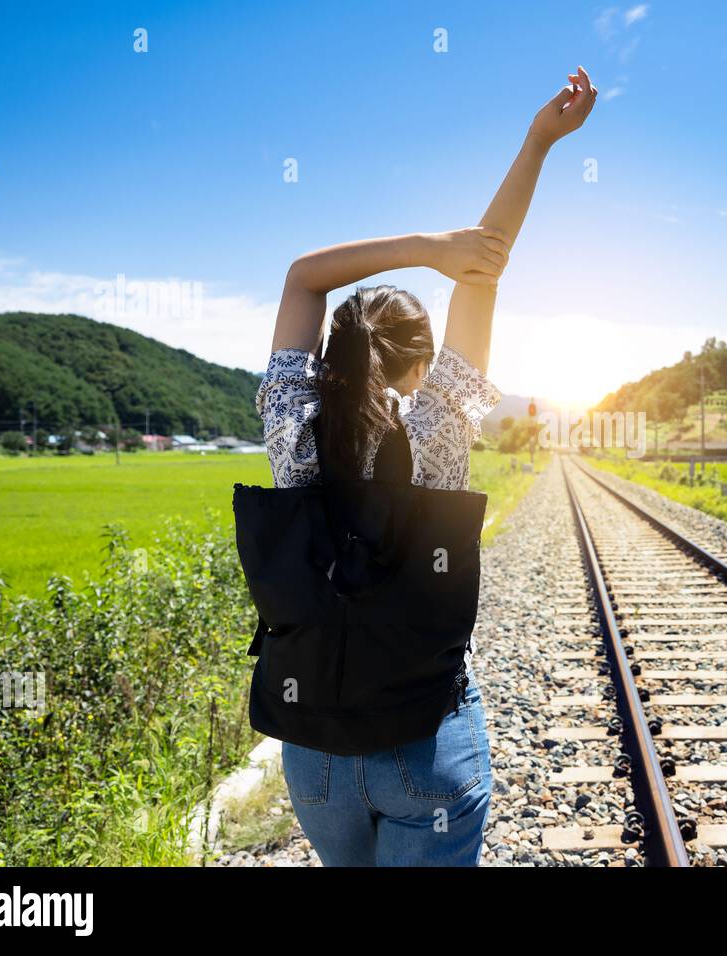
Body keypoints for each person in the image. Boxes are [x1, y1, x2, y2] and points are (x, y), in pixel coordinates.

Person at [253, 68, 597, 866]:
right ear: (419, 370)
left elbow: (304, 273)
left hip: (315, 754)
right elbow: (486, 266)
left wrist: (422, 249)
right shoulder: (438, 429)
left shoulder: (291, 427)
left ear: (330, 357)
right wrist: (539, 142)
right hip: (424, 740)